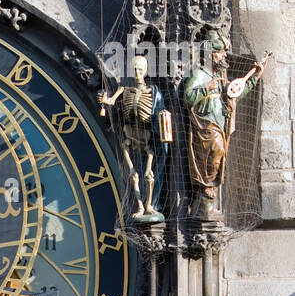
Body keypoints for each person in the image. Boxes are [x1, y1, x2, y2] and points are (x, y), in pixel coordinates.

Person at [181, 30, 265, 213]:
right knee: (215, 151)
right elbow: (186, 98)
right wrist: (205, 89)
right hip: (204, 126)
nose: (224, 55)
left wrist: (256, 76)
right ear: (211, 55)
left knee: (218, 155)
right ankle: (206, 186)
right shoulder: (199, 75)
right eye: (221, 53)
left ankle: (210, 186)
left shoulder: (220, 78)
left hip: (220, 125)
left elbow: (235, 93)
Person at [98, 54, 170, 222]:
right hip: (130, 135)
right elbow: (113, 105)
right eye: (135, 69)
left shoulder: (154, 92)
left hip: (147, 137)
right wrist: (105, 101)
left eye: (140, 69)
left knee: (148, 174)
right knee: (134, 174)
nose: (137, 72)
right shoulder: (124, 90)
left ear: (145, 71)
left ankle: (150, 204)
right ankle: (139, 205)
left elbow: (159, 111)